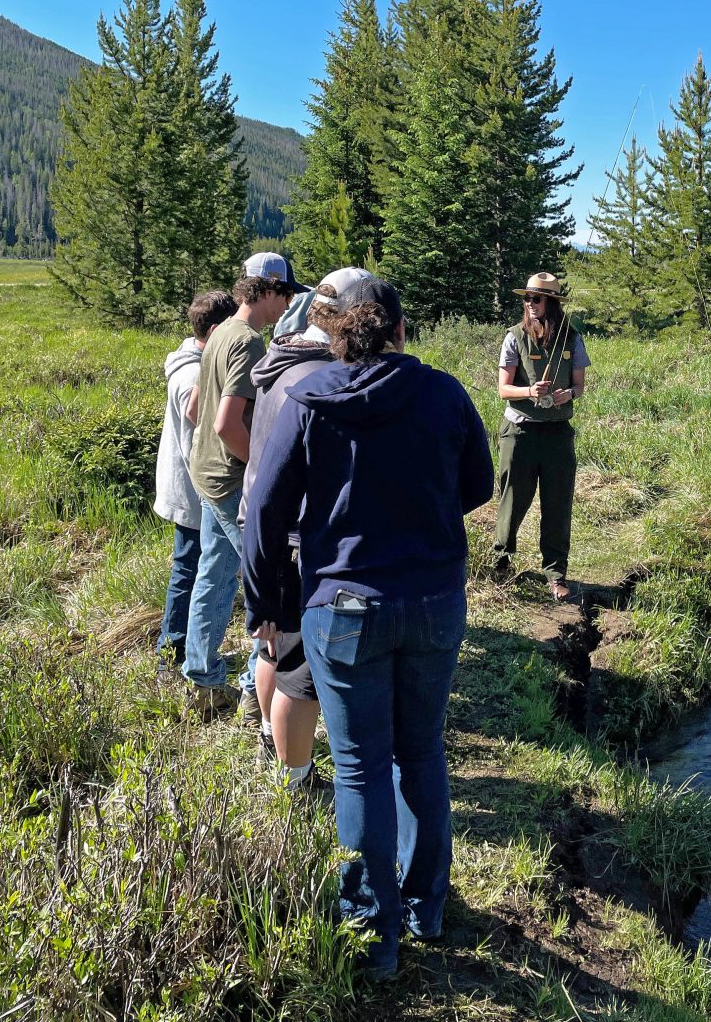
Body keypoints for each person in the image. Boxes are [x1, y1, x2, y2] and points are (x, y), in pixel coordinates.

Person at [242, 274, 494, 980]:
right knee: (422, 752)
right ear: (402, 330)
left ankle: (372, 934)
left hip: (342, 607)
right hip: (434, 600)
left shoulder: (308, 399)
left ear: (335, 336)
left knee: (359, 766)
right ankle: (426, 909)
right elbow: (479, 485)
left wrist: (264, 602)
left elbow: (264, 509)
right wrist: (421, 513)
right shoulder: (444, 393)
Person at [239, 267, 375, 790]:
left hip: (265, 526)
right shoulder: (319, 379)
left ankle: (271, 742)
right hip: (295, 536)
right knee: (301, 675)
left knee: (273, 645)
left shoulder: (282, 360)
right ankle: (295, 779)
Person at [182, 253, 297, 719]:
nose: (287, 304)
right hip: (230, 480)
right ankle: (255, 689)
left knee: (214, 573)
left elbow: (194, 410)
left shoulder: (220, 332)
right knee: (266, 580)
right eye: (285, 294)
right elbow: (226, 423)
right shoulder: (248, 341)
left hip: (205, 473)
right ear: (267, 290)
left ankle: (202, 678)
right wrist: (263, 470)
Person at [152, 289, 237, 676]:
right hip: (192, 490)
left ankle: (184, 650)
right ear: (217, 330)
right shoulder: (192, 374)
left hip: (191, 487)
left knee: (193, 568)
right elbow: (196, 420)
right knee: (189, 570)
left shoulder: (193, 362)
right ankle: (171, 654)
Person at [493, 271, 589, 601]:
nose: (530, 304)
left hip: (558, 434)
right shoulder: (514, 337)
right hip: (519, 432)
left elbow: (580, 385)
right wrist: (529, 391)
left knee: (557, 505)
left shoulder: (572, 338)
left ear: (551, 302)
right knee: (512, 500)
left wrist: (569, 395)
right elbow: (503, 389)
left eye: (536, 298)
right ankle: (501, 562)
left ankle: (556, 574)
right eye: (527, 298)